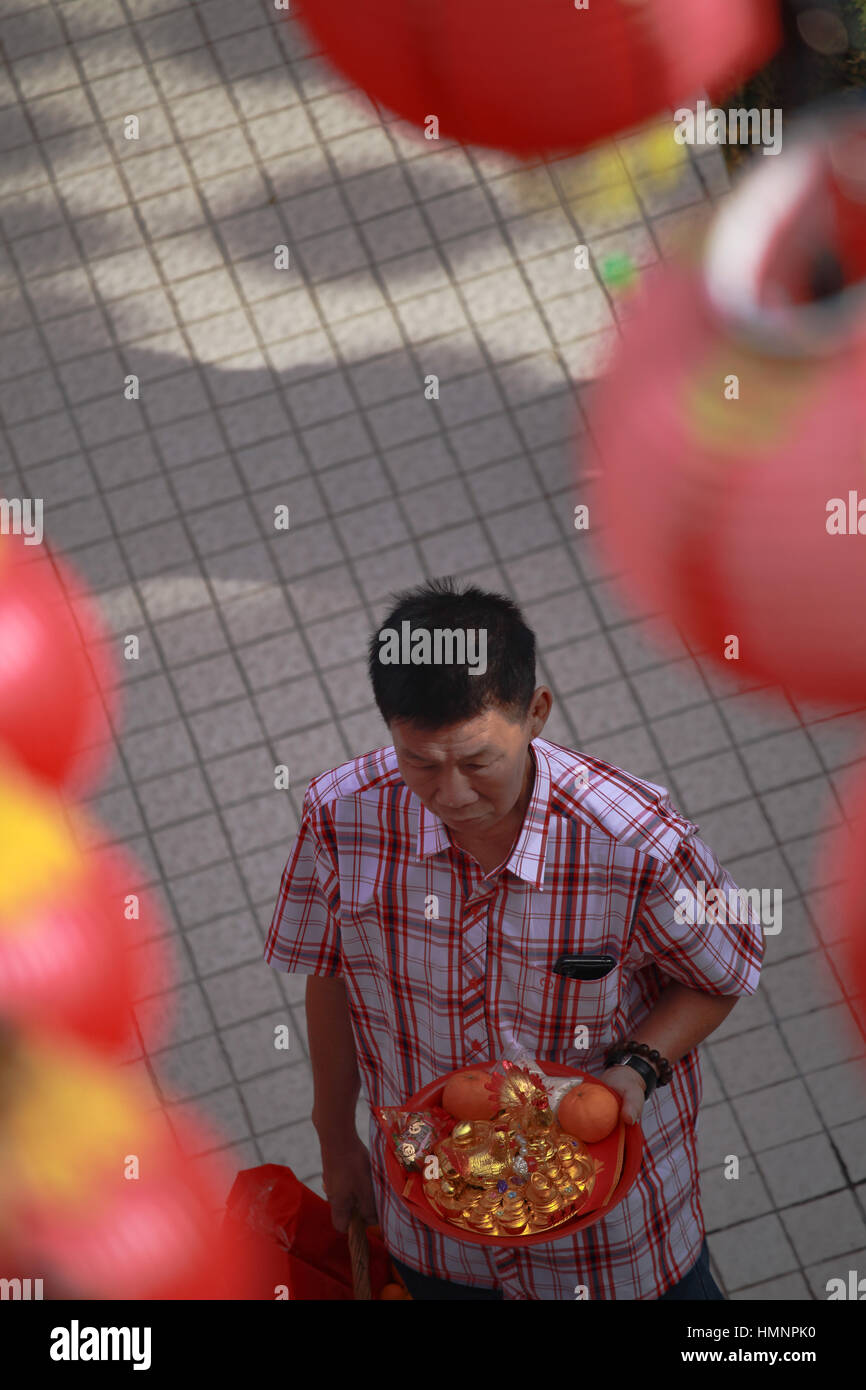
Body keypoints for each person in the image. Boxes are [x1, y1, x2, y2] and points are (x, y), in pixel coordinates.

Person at [263, 578, 764, 1299]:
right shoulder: (338, 820)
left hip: (615, 1243)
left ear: (536, 713)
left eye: (476, 762)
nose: (452, 795)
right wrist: (336, 1142)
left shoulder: (636, 841)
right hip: (434, 1225)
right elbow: (330, 974)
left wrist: (640, 1068)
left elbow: (727, 969)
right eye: (420, 763)